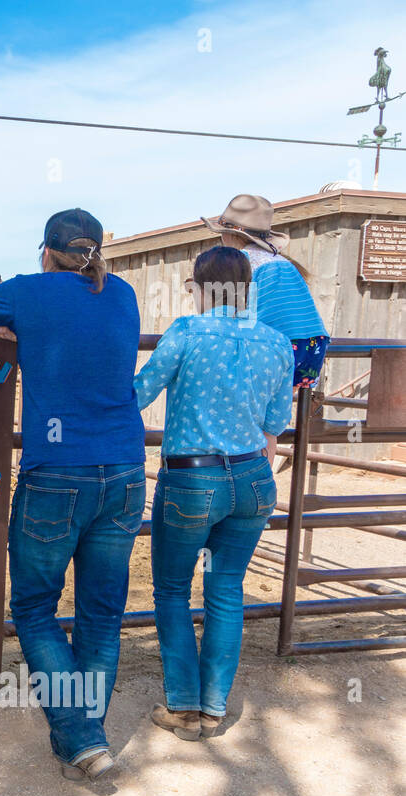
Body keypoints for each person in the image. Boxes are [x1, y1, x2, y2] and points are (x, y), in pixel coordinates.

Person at [0, 208, 146, 782]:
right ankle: (87, 733)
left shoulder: (27, 292)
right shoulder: (124, 293)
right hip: (125, 468)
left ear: (46, 251)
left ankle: (81, 735)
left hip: (56, 472)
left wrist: (6, 326)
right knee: (102, 613)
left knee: (34, 607)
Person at [134, 246, 292, 741]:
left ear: (201, 288)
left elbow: (139, 392)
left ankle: (182, 705)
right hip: (252, 478)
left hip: (192, 478)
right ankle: (213, 707)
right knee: (225, 590)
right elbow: (276, 423)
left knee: (173, 590)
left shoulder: (186, 331)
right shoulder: (277, 342)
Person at [202, 194, 328, 387]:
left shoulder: (238, 261)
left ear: (229, 234)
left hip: (272, 348)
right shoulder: (282, 261)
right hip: (312, 350)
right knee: (273, 407)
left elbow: (226, 314)